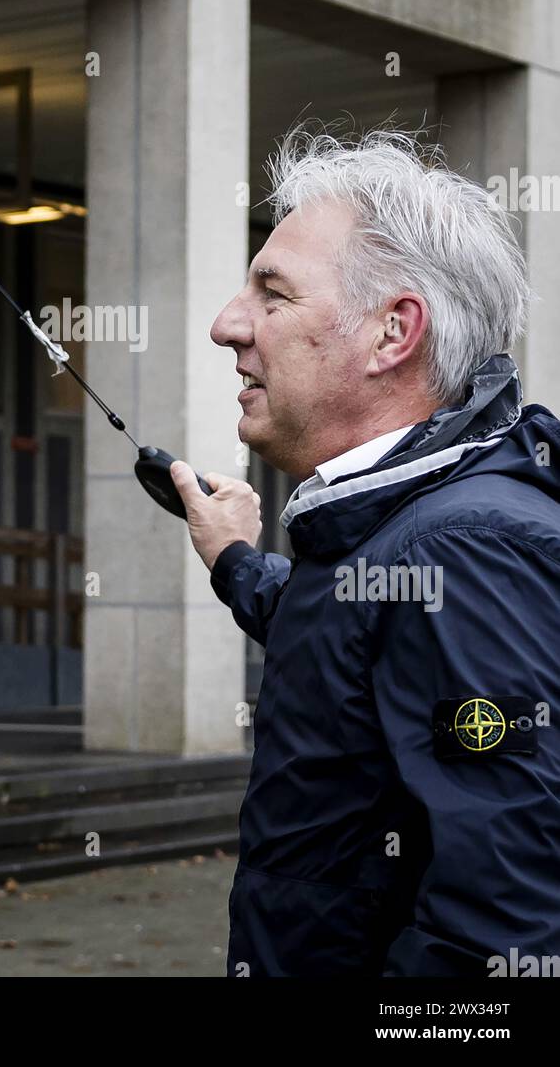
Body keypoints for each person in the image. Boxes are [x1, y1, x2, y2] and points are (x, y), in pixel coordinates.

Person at [170, 130, 560, 977]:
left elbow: (506, 933)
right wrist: (235, 559)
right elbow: (350, 641)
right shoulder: (402, 530)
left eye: (272, 294)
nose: (225, 324)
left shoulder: (466, 549)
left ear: (393, 333)